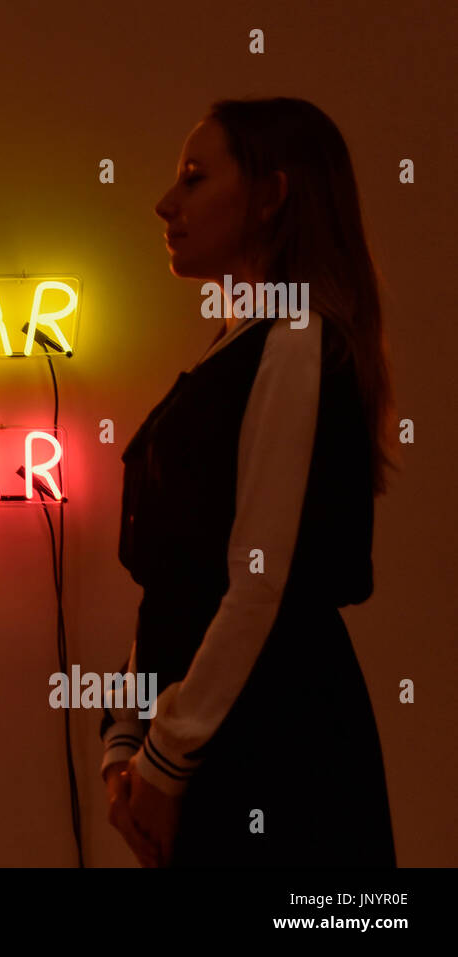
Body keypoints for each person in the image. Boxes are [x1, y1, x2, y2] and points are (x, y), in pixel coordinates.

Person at [99, 97, 400, 867]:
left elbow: (256, 581)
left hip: (273, 742)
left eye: (196, 179)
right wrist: (126, 738)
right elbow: (178, 581)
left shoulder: (296, 339)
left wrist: (163, 757)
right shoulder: (233, 347)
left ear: (272, 195)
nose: (166, 203)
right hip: (207, 739)